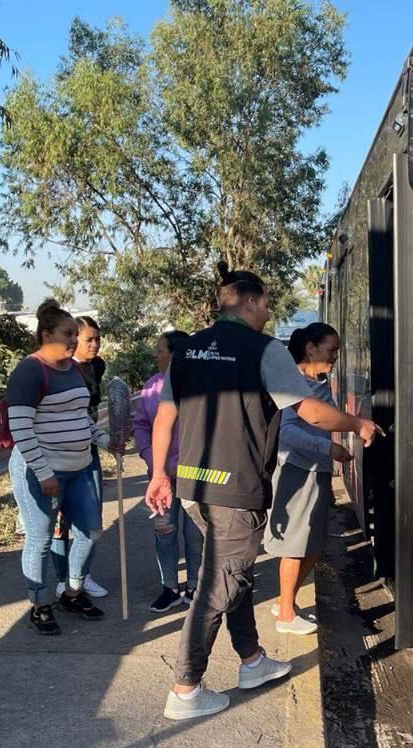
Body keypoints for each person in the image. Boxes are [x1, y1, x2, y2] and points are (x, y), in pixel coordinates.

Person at [146, 263, 381, 721]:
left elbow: (165, 417)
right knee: (218, 586)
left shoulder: (188, 350)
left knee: (236, 575)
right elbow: (311, 412)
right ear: (249, 301)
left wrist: (158, 474)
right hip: (236, 489)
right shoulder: (264, 350)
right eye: (267, 304)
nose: (269, 312)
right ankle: (185, 689)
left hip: (194, 487)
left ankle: (252, 661)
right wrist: (357, 424)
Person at [7, 300, 115, 635]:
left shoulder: (73, 369)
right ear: (46, 335)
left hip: (80, 467)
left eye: (74, 335)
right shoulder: (29, 371)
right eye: (68, 334)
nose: (74, 340)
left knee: (90, 531)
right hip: (41, 472)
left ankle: (71, 592)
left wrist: (104, 440)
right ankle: (39, 606)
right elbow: (21, 428)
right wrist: (43, 473)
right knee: (40, 539)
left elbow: (79, 415)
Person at [264, 323, 351, 635]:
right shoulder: (296, 384)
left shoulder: (317, 383)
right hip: (297, 472)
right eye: (331, 350)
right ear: (311, 349)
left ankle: (284, 601)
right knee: (295, 545)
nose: (335, 356)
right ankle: (286, 615)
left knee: (312, 546)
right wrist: (328, 448)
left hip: (317, 471)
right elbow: (287, 432)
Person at [133, 330, 203, 612]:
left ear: (176, 354)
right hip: (160, 476)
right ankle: (170, 588)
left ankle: (195, 586)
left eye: (160, 350)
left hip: (194, 476)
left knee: (195, 533)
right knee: (164, 531)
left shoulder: (201, 387)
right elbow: (140, 425)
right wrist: (151, 458)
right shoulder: (151, 387)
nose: (155, 354)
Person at [50, 315, 109, 599]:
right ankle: (63, 579)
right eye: (89, 339)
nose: (95, 344)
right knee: (60, 522)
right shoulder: (61, 369)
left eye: (98, 339)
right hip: (61, 453)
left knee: (92, 518)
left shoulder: (98, 366)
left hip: (90, 448)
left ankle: (82, 575)